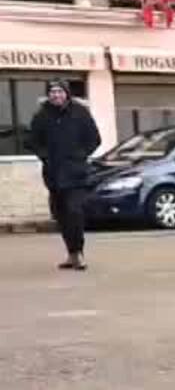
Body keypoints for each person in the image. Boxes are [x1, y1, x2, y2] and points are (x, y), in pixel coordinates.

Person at [26, 81, 101, 271]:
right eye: (52, 92)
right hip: (54, 174)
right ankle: (71, 253)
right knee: (61, 215)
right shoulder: (42, 115)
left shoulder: (80, 113)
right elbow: (32, 141)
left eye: (59, 91)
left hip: (75, 173)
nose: (56, 95)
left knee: (74, 211)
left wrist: (80, 155)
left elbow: (94, 139)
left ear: (67, 94)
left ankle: (79, 253)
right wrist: (44, 156)